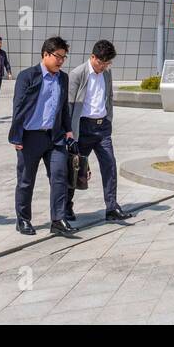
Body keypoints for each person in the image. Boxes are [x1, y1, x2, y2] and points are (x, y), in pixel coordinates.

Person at [9, 36, 74, 237]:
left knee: (59, 177)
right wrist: (16, 137)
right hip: (30, 138)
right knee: (26, 180)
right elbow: (18, 107)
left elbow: (63, 107)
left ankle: (58, 220)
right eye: (58, 57)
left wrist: (68, 130)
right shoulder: (27, 76)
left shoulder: (63, 78)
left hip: (55, 137)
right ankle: (23, 220)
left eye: (64, 57)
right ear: (45, 54)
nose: (61, 61)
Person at [66, 39, 131, 222]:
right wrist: (69, 132)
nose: (103, 66)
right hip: (83, 128)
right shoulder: (77, 74)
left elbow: (108, 97)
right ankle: (66, 206)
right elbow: (69, 105)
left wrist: (108, 119)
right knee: (75, 168)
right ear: (92, 57)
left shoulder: (106, 74)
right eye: (101, 62)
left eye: (107, 63)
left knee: (109, 165)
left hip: (102, 128)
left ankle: (111, 207)